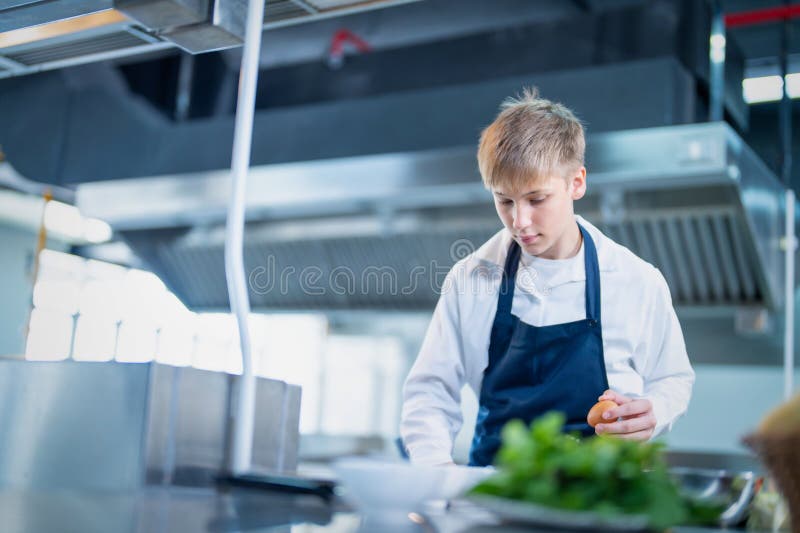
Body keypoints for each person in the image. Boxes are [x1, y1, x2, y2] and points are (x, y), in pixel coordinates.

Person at [400, 88, 695, 467]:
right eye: (504, 200)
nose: (519, 222)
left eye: (537, 199)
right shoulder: (472, 278)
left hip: (603, 497)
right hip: (494, 493)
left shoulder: (635, 280)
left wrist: (654, 411)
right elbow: (430, 393)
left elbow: (673, 377)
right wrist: (435, 473)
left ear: (576, 183)